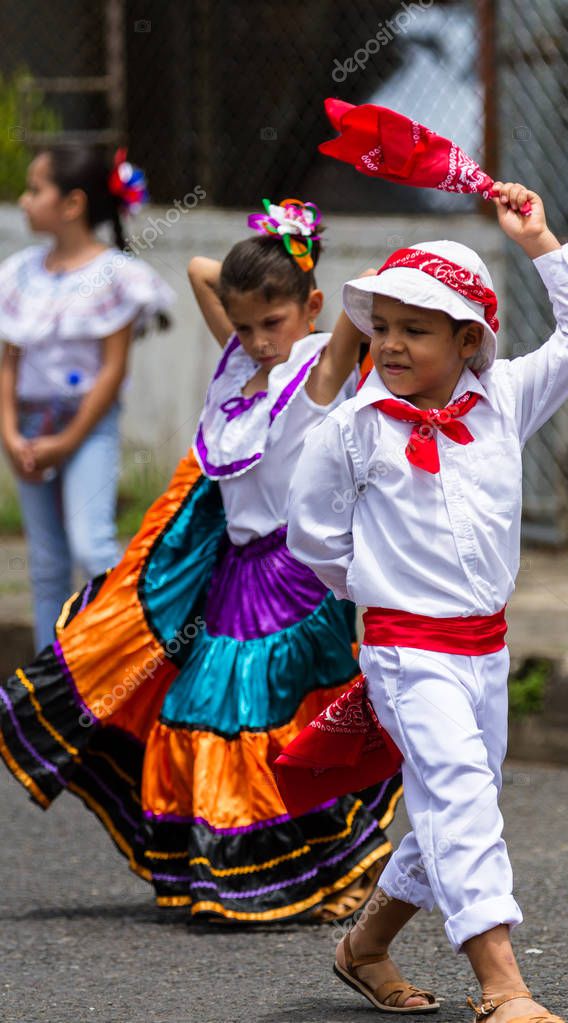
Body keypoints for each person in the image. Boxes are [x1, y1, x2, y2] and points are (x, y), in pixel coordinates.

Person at [0, 198, 401, 924]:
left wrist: (303, 268)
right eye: (243, 324)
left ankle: (321, 871)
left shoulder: (315, 370)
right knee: (202, 713)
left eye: (271, 322)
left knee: (253, 721)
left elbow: (362, 291)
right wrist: (271, 270)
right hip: (235, 575)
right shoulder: (243, 365)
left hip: (293, 578)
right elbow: (198, 268)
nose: (254, 338)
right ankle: (253, 871)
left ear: (311, 306)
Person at [287, 181, 568, 1018]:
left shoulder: (505, 401)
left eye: (415, 329)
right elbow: (314, 539)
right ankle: (504, 988)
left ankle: (363, 946)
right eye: (382, 326)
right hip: (406, 650)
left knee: (458, 803)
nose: (389, 344)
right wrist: (386, 596)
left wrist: (538, 238)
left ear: (470, 339)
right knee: (461, 795)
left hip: (486, 650)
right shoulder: (352, 429)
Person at [0, 145, 175, 651]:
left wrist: (68, 440)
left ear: (73, 203)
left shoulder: (117, 277)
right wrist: (11, 435)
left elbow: (113, 369)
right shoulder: (18, 275)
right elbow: (9, 362)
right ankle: (43, 681)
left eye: (36, 189)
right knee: (47, 561)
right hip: (28, 428)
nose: (24, 199)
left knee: (91, 543)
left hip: (87, 427)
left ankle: (122, 662)